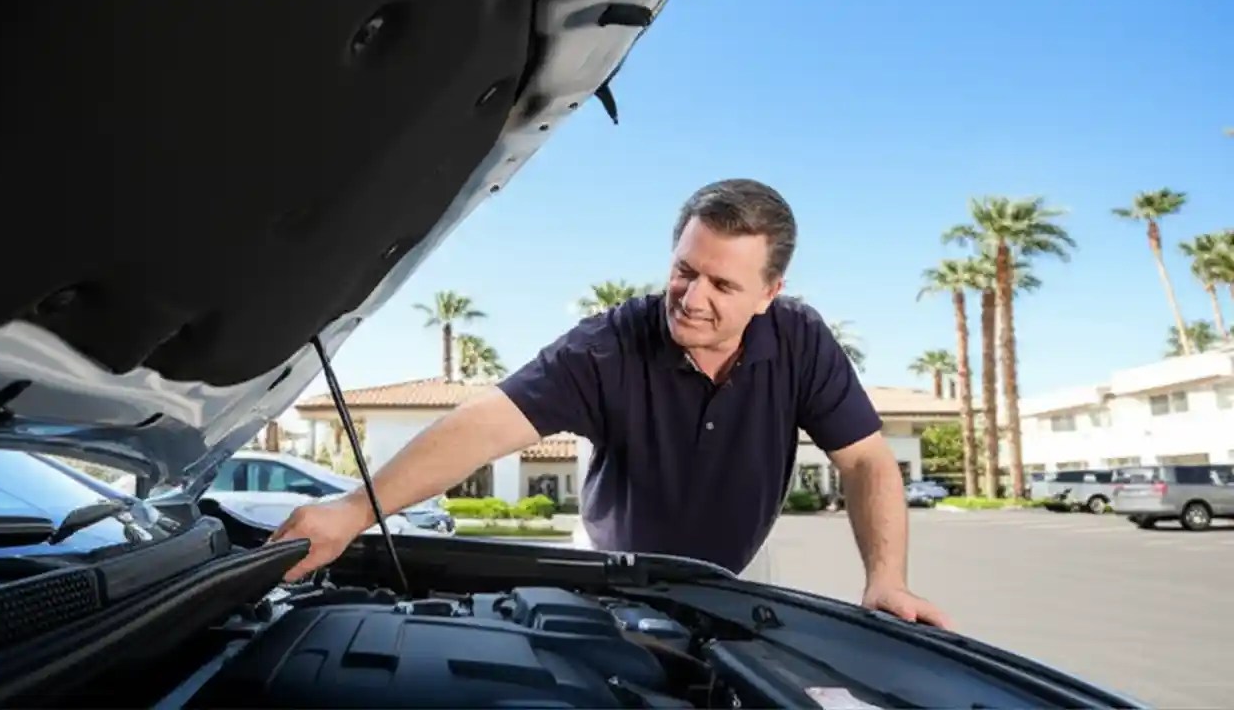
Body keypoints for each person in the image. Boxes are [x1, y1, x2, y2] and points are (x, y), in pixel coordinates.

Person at [270, 178, 951, 629]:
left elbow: (866, 462)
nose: (692, 298)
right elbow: (485, 426)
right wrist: (355, 510)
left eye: (722, 283)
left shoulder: (800, 338)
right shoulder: (608, 345)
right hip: (605, 568)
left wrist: (886, 579)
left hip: (737, 571)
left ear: (770, 293)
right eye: (684, 270)